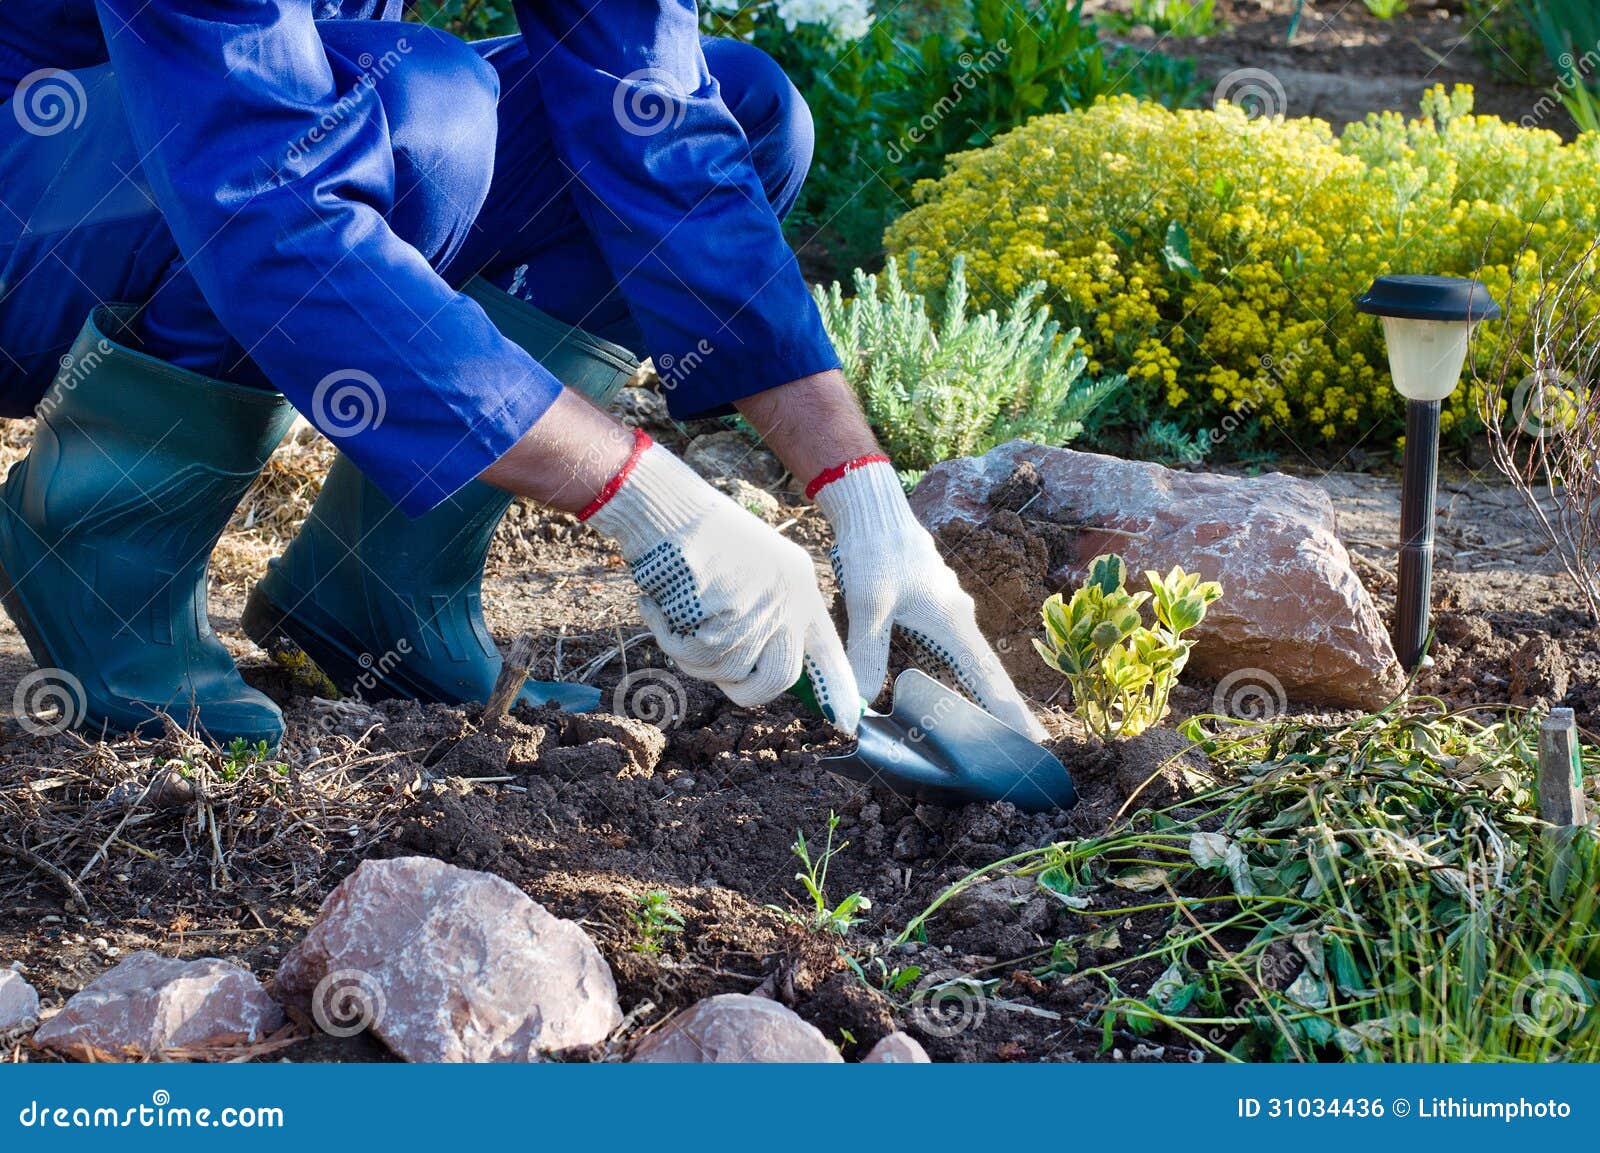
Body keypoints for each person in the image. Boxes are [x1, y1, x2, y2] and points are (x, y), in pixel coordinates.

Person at [0, 0, 1044, 747]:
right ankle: (103, 561)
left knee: (738, 106)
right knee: (420, 114)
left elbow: (655, 113)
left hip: (217, 161)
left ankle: (375, 597)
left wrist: (862, 499)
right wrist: (645, 499)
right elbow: (268, 197)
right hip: (33, 212)